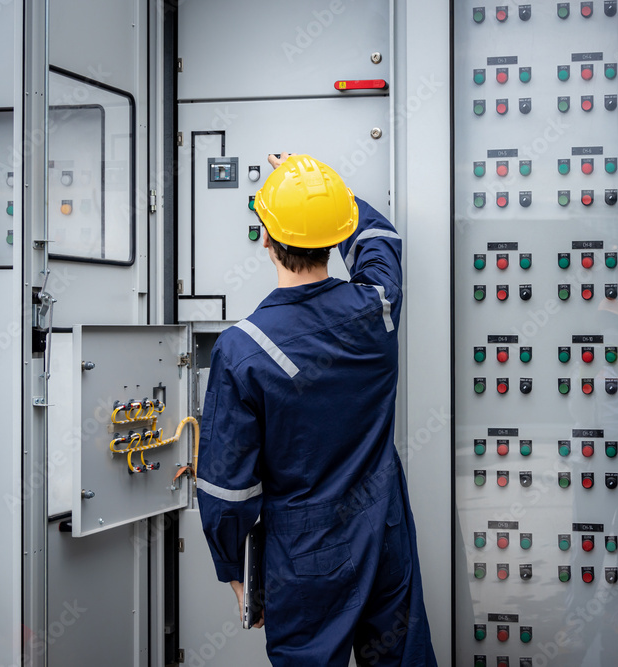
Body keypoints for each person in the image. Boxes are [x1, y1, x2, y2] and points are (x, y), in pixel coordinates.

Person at [195, 153, 436, 666]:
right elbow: (379, 241)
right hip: (383, 529)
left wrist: (235, 572)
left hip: (306, 554)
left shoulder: (243, 349)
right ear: (333, 237)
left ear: (265, 237)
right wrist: (327, 193)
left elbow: (227, 487)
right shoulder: (378, 309)